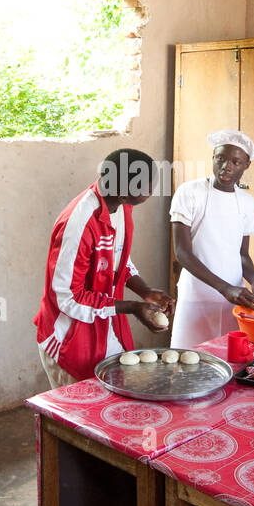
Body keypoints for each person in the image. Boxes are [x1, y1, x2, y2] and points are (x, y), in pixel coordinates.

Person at [34, 148, 175, 388]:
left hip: (104, 325)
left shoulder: (120, 205)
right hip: (70, 337)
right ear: (124, 194)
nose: (153, 190)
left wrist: (145, 291)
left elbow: (116, 257)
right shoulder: (78, 225)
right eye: (148, 187)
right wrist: (132, 307)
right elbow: (67, 298)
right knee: (82, 408)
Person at [169, 130, 254, 348]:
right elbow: (182, 253)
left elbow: (242, 254)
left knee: (226, 358)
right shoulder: (190, 192)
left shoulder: (248, 204)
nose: (226, 166)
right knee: (189, 357)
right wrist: (225, 288)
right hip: (196, 295)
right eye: (220, 158)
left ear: (246, 165)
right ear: (213, 157)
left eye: (235, 162)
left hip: (232, 299)